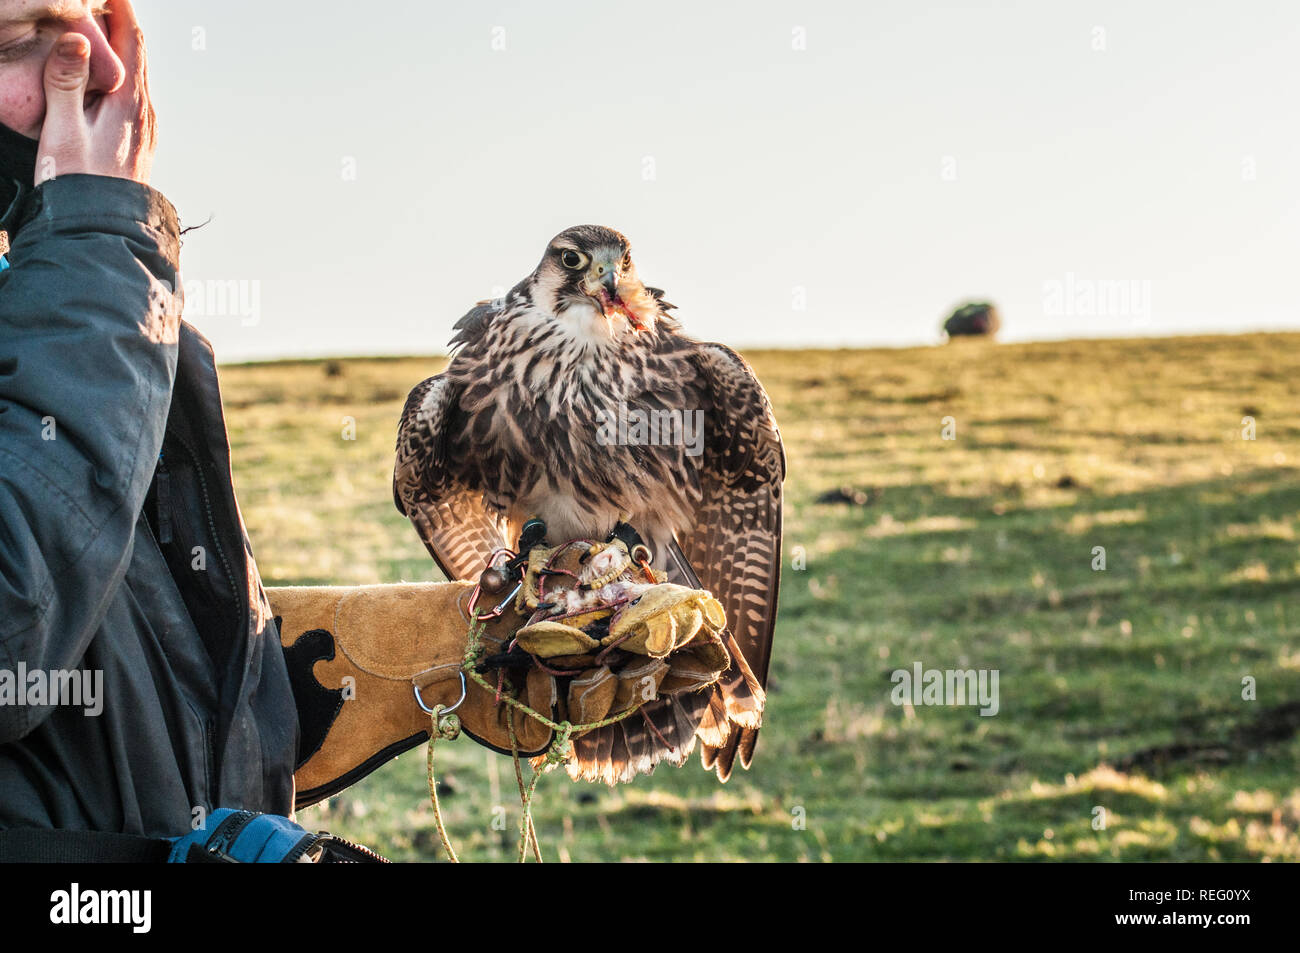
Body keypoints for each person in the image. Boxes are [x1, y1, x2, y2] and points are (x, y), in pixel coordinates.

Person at [0, 0, 301, 846]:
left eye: (97, 16)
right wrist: (97, 254)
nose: (100, 65)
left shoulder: (60, 307)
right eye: (28, 40)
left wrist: (414, 670)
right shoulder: (89, 295)